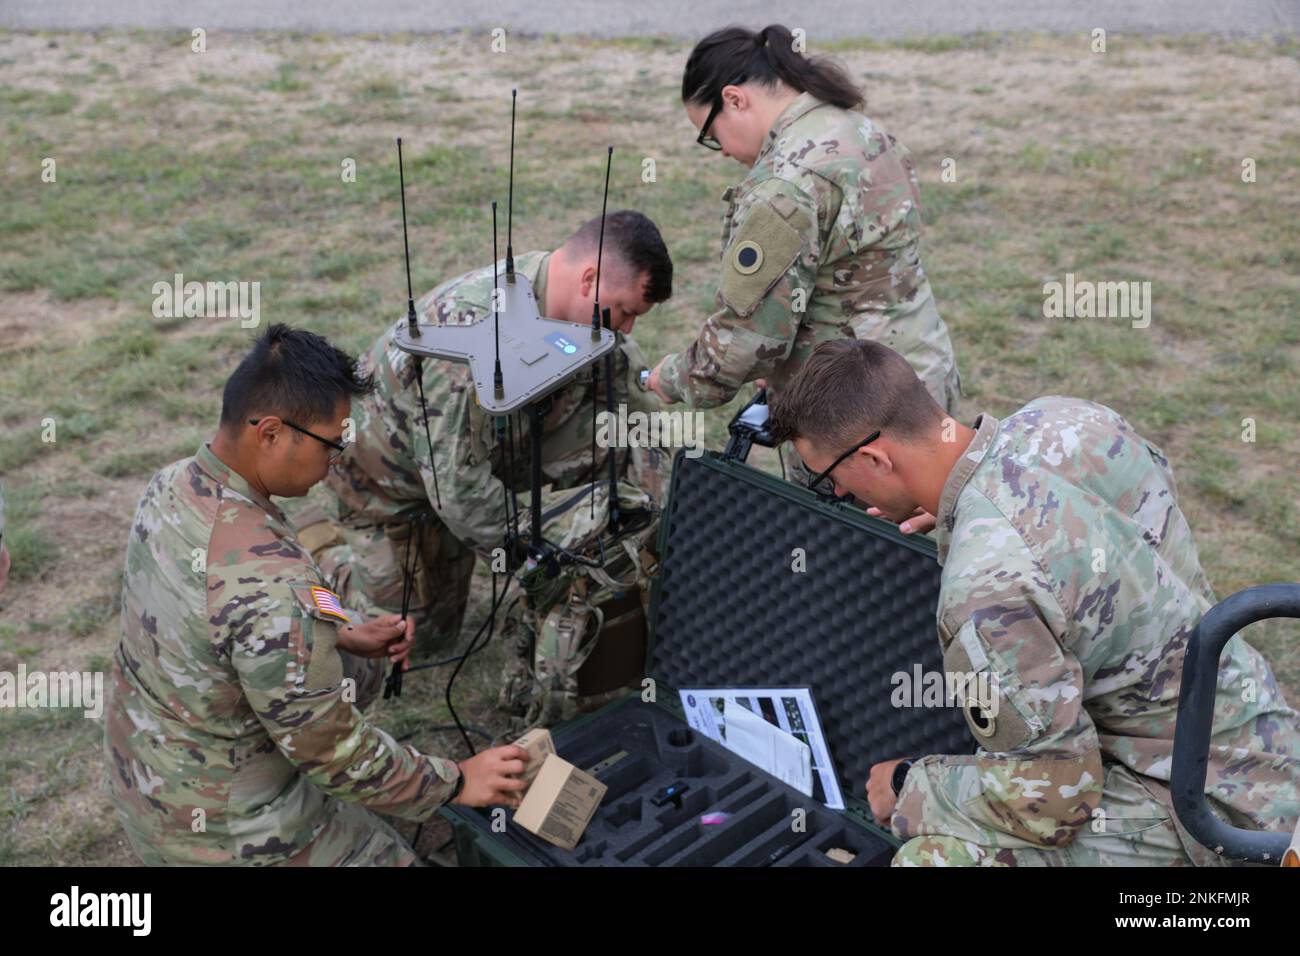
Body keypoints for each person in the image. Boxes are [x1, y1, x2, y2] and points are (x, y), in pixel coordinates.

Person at [769, 338, 1300, 866]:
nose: (837, 492)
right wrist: (968, 510)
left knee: (930, 859)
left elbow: (1052, 802)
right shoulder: (1063, 419)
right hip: (1259, 736)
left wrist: (909, 785)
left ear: (874, 458)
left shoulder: (985, 586)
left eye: (830, 476)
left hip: (1203, 810)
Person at [104, 324, 529, 866]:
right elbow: (335, 753)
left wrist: (341, 628)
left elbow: (248, 611)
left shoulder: (172, 484)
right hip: (215, 829)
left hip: (145, 761)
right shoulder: (273, 594)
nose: (339, 459)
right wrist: (454, 781)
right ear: (271, 434)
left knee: (358, 672)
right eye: (332, 442)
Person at [297, 210, 675, 733]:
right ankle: (323, 549)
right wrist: (548, 556)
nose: (628, 328)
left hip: (483, 455)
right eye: (626, 312)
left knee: (616, 433)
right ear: (589, 279)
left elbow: (639, 413)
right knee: (417, 635)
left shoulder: (588, 315)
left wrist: (672, 515)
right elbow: (460, 495)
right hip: (387, 490)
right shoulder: (471, 336)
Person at [647, 23, 961, 420]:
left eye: (711, 134)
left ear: (734, 99)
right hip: (922, 378)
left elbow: (747, 336)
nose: (722, 152)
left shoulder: (785, 184)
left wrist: (675, 377)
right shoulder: (863, 131)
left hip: (855, 409)